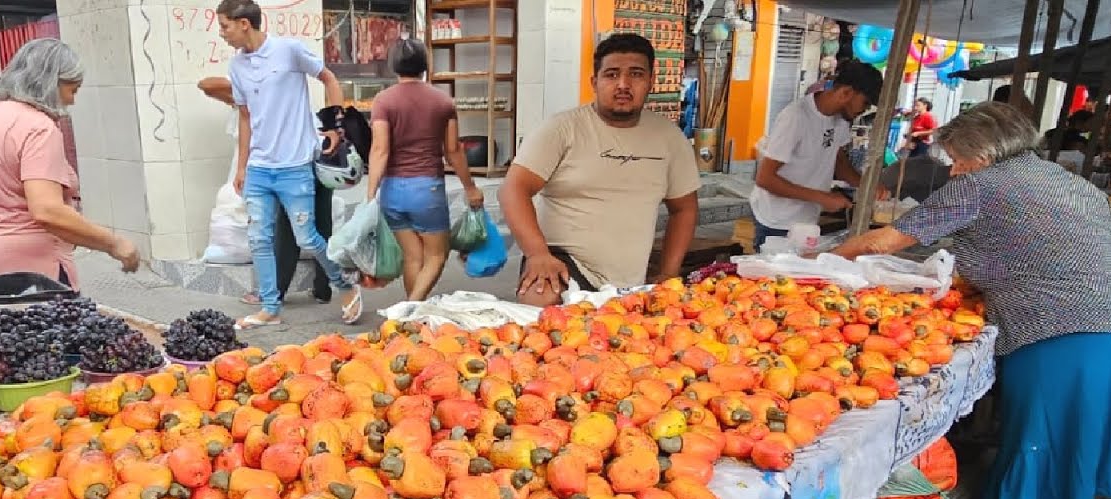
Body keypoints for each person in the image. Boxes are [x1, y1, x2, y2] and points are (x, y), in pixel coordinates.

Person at [832, 101, 1111, 499]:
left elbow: (885, 242)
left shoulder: (983, 184)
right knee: (1074, 466)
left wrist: (822, 263)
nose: (952, 169)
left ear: (982, 152)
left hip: (1062, 342)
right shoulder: (1071, 184)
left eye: (956, 157)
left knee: (1049, 467)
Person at [499, 33, 700, 306]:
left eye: (636, 74)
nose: (623, 84)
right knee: (539, 304)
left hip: (630, 281)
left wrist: (668, 272)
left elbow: (684, 208)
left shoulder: (669, 138)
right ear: (595, 82)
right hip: (562, 263)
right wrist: (537, 254)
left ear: (651, 82)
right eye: (611, 74)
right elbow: (513, 189)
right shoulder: (562, 129)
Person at [0, 38, 139, 288]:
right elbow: (47, 211)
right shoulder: (38, 127)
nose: (72, 101)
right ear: (51, 83)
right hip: (34, 264)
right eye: (73, 90)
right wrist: (113, 243)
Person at [217, 0, 361, 328]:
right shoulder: (237, 66)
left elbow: (329, 78)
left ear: (244, 23)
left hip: (295, 165)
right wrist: (242, 166)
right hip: (259, 169)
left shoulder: (289, 51)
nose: (222, 33)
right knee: (259, 239)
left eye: (224, 26)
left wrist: (334, 127)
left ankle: (344, 286)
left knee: (307, 238)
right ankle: (270, 307)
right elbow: (244, 116)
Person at [365, 38, 483, 301]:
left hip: (393, 191)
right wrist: (470, 187)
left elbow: (379, 150)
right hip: (426, 190)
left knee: (413, 256)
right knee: (436, 255)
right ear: (425, 65)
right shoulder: (443, 101)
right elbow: (453, 150)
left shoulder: (383, 101)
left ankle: (411, 317)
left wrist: (370, 195)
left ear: (394, 65)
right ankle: (411, 308)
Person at [198, 75, 332, 306]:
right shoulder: (291, 98)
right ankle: (323, 288)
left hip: (296, 167)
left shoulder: (266, 106)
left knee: (287, 230)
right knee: (321, 223)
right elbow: (207, 86)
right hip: (318, 160)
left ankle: (274, 292)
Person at [749, 60, 888, 250]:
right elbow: (765, 179)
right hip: (777, 222)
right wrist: (823, 198)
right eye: (865, 103)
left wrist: (865, 185)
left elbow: (838, 161)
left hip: (807, 221)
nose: (864, 110)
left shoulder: (840, 121)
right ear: (846, 93)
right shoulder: (796, 117)